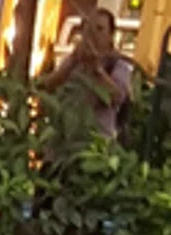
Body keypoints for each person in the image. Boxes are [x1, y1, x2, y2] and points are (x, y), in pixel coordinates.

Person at [40, 8, 130, 140]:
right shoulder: (73, 60)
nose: (93, 34)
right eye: (89, 28)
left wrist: (97, 69)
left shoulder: (118, 65)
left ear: (111, 34)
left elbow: (117, 97)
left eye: (100, 29)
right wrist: (72, 63)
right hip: (66, 137)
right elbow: (49, 86)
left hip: (97, 140)